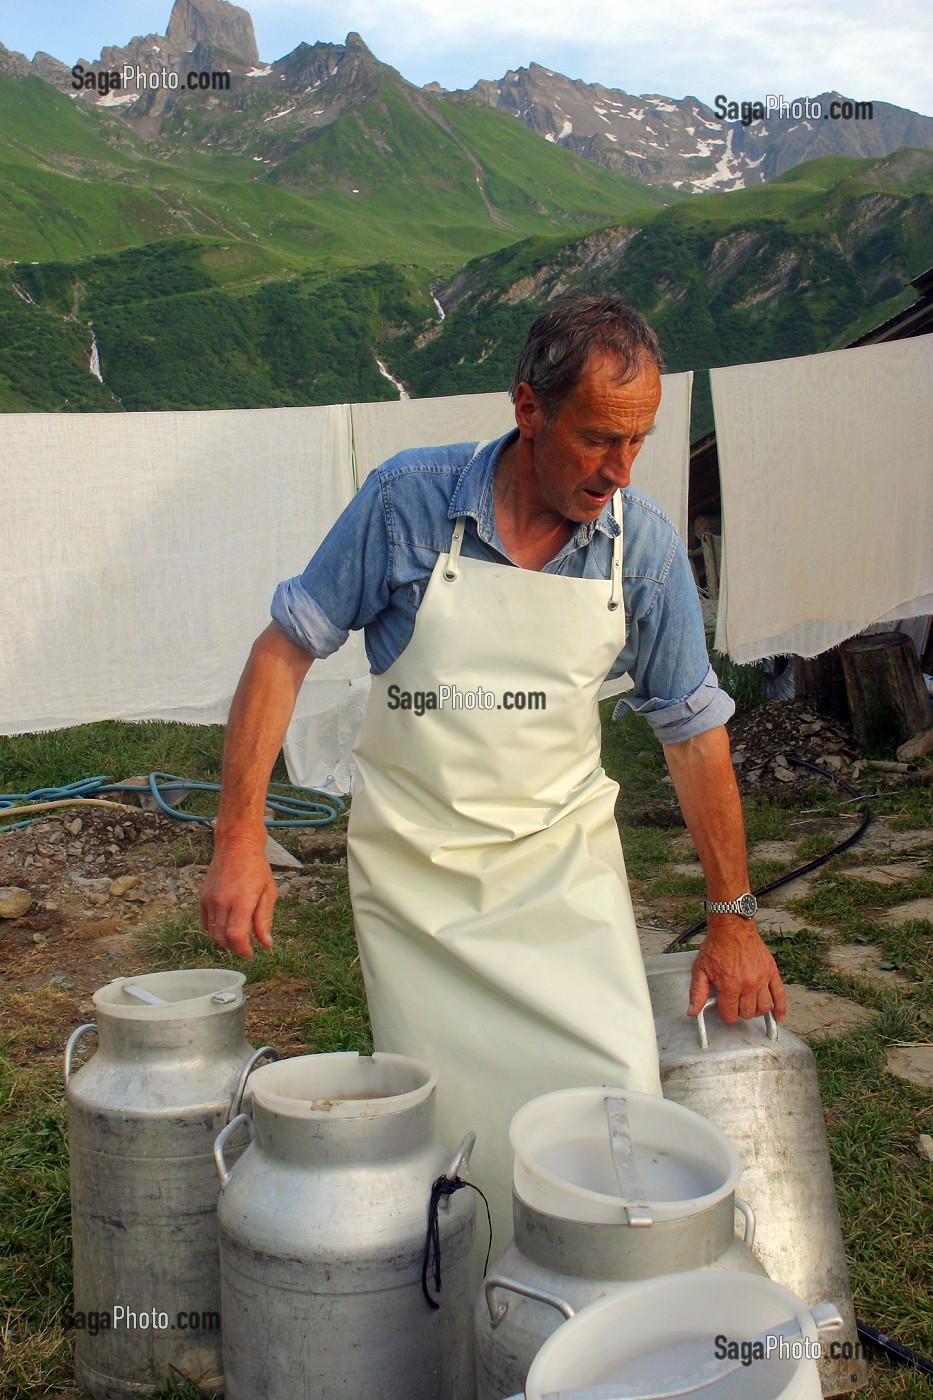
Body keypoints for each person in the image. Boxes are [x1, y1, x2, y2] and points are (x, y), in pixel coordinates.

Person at [201, 293, 785, 1247]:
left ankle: (595, 1335)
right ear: (528, 409)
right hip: (417, 887)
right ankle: (475, 1339)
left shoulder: (641, 551)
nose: (619, 470)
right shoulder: (406, 503)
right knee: (448, 1142)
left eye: (637, 442)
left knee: (613, 1111)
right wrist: (238, 837)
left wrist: (732, 916)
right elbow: (283, 650)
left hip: (563, 880)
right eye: (598, 438)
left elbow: (692, 731)